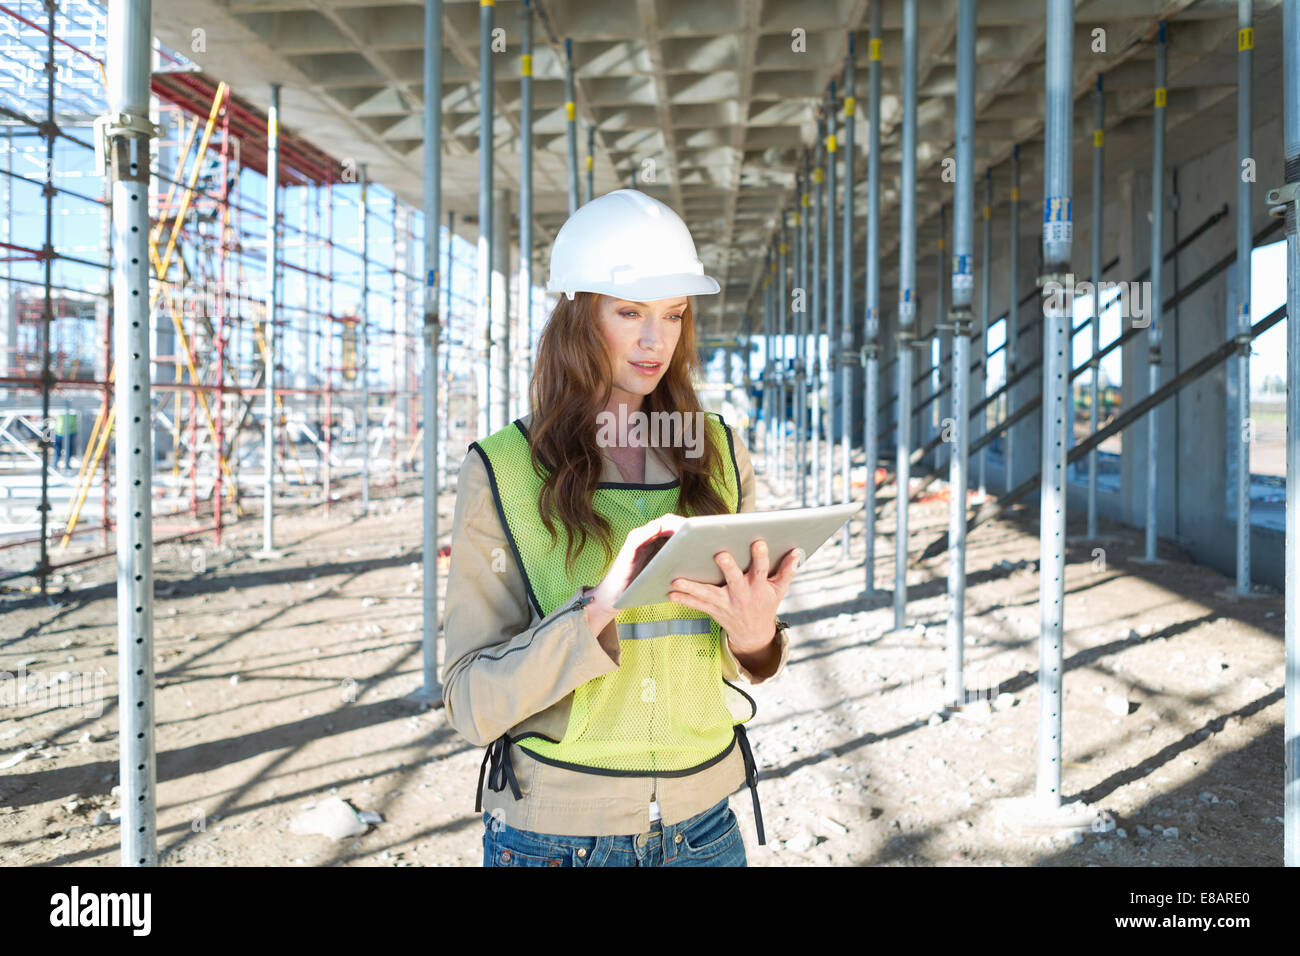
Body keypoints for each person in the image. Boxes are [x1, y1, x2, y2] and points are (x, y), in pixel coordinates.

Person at [442, 189, 801, 867]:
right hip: (556, 839)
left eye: (673, 314)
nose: (654, 340)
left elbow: (741, 660)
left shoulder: (718, 451)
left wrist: (758, 639)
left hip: (706, 830)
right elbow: (469, 701)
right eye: (630, 312)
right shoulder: (503, 469)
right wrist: (597, 610)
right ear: (579, 316)